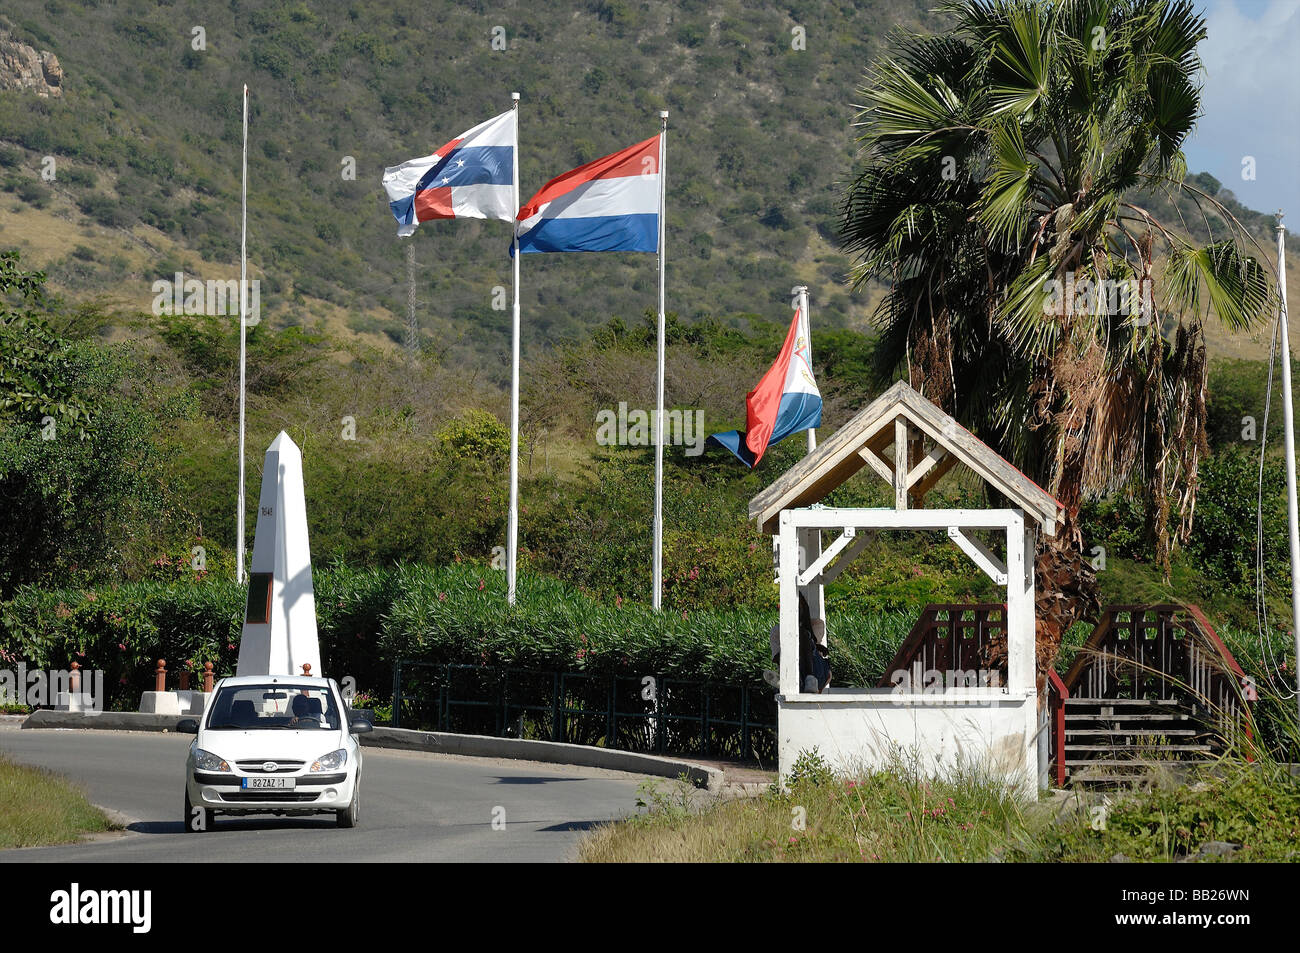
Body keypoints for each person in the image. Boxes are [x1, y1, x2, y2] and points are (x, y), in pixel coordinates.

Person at [763, 593, 831, 693]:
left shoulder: (811, 629)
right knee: (794, 661)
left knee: (803, 634)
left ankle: (803, 681)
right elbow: (777, 658)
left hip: (815, 674)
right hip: (793, 670)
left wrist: (815, 646)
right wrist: (790, 649)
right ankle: (788, 682)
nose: (795, 611)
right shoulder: (778, 631)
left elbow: (812, 650)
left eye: (799, 607)